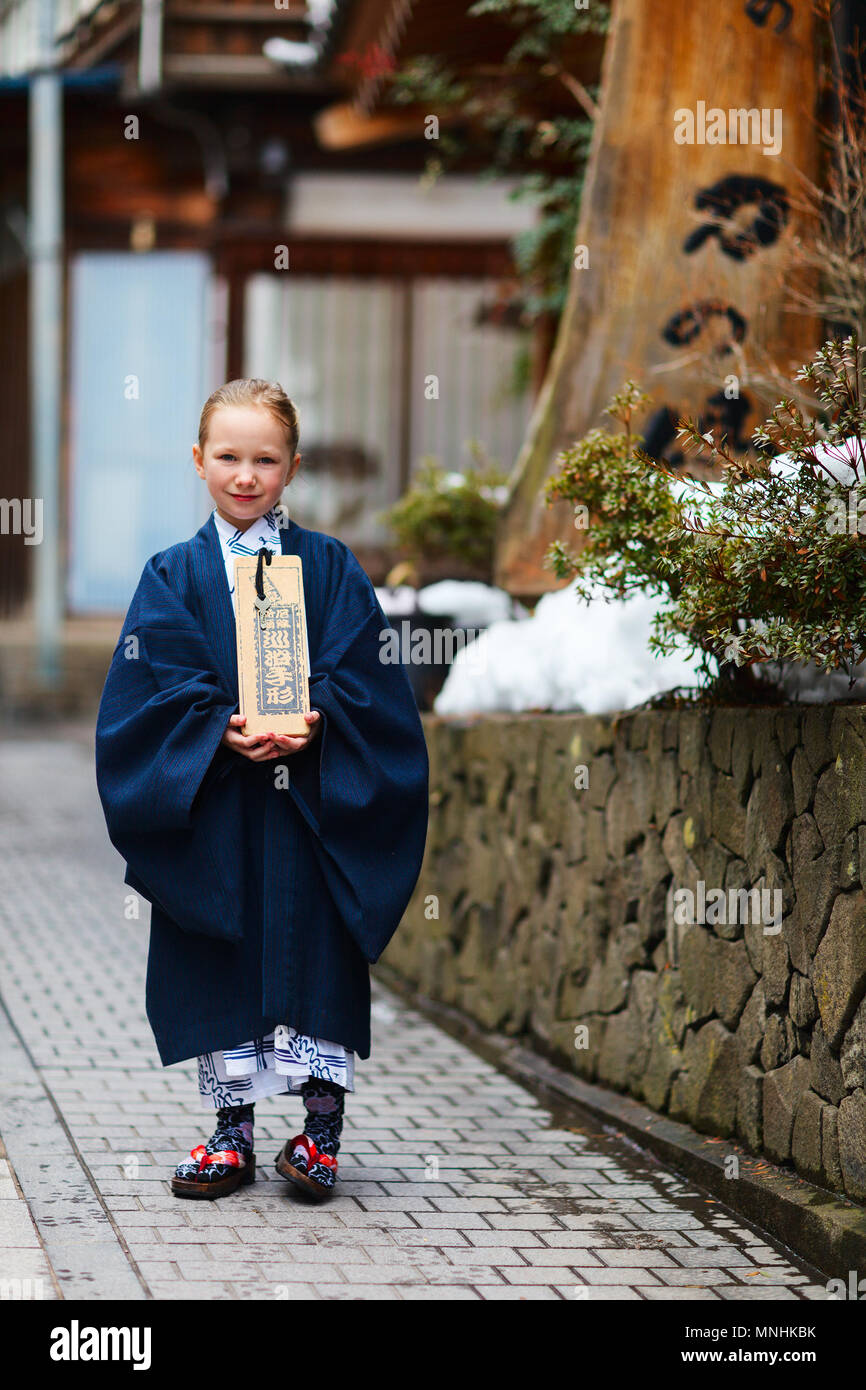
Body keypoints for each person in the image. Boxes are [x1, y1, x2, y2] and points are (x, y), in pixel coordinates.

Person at [95, 378, 429, 1202]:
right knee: (219, 955)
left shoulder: (329, 565)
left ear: (293, 467)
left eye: (265, 460)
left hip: (314, 806)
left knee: (317, 954)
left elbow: (369, 680)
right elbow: (145, 695)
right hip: (217, 810)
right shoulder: (171, 574)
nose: (245, 475)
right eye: (229, 456)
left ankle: (320, 1136)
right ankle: (230, 1135)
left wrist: (322, 720)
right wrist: (214, 729)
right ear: (199, 459)